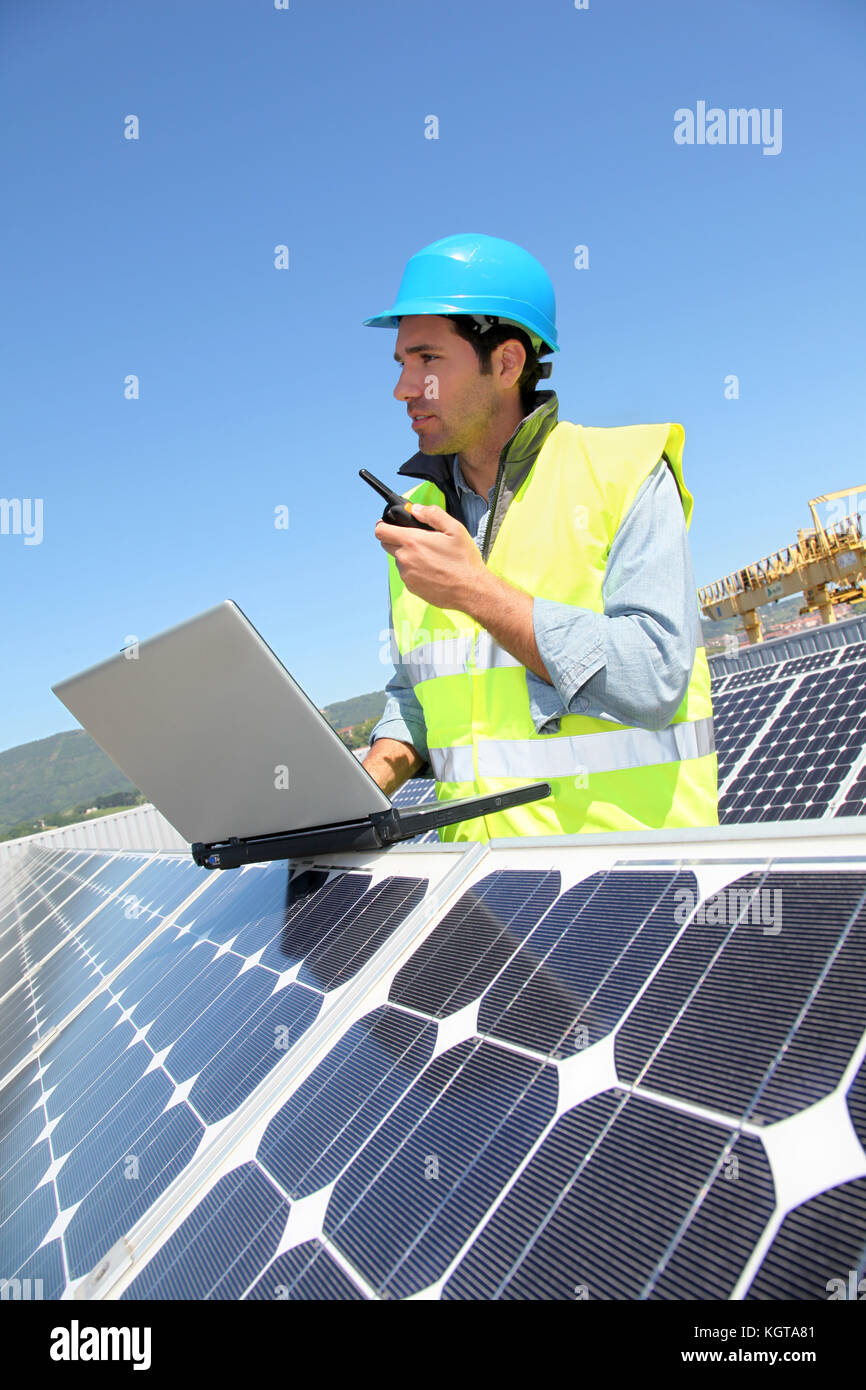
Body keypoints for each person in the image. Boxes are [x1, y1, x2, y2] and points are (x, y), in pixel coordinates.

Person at [361, 233, 718, 840]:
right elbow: (418, 700)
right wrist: (352, 796)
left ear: (506, 363)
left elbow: (653, 675)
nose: (402, 387)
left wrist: (476, 591)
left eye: (426, 361)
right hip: (477, 900)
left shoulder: (624, 470)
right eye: (401, 364)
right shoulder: (417, 515)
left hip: (628, 897)